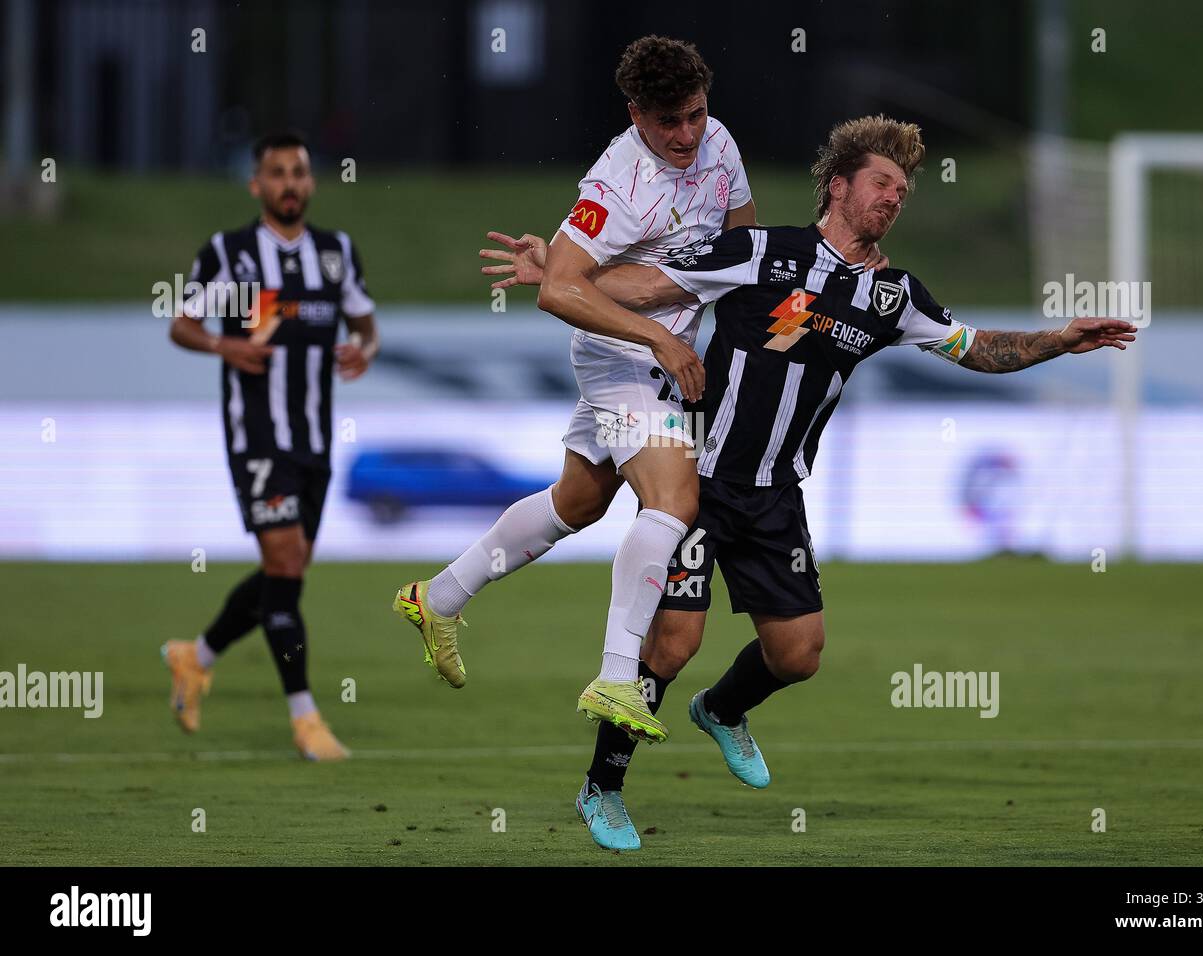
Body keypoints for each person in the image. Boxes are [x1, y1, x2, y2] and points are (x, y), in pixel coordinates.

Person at [485, 114, 1137, 850]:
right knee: (671, 644)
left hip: (775, 494)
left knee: (798, 654)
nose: (894, 198)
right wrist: (568, 275)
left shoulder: (895, 297)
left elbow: (977, 349)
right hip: (696, 474)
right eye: (881, 184)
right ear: (839, 187)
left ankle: (722, 711)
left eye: (903, 189)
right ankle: (601, 788)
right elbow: (656, 281)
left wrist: (1060, 340)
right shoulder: (762, 251)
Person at [391, 36, 775, 741]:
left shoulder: (719, 143)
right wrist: (655, 330)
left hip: (668, 348)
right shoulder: (614, 185)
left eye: (694, 114)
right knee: (675, 497)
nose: (687, 135)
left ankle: (438, 596)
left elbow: (740, 247)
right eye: (669, 123)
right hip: (621, 354)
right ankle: (617, 677)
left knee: (579, 502)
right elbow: (558, 292)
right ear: (636, 115)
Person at [164, 131, 379, 761]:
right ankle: (305, 717)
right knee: (285, 570)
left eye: (299, 173)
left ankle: (194, 656)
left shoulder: (336, 254)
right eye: (276, 174)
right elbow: (181, 324)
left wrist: (360, 353)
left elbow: (367, 328)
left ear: (311, 183)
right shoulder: (229, 254)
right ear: (257, 185)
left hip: (313, 443)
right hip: (257, 438)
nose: (289, 183)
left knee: (283, 578)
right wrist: (222, 345)